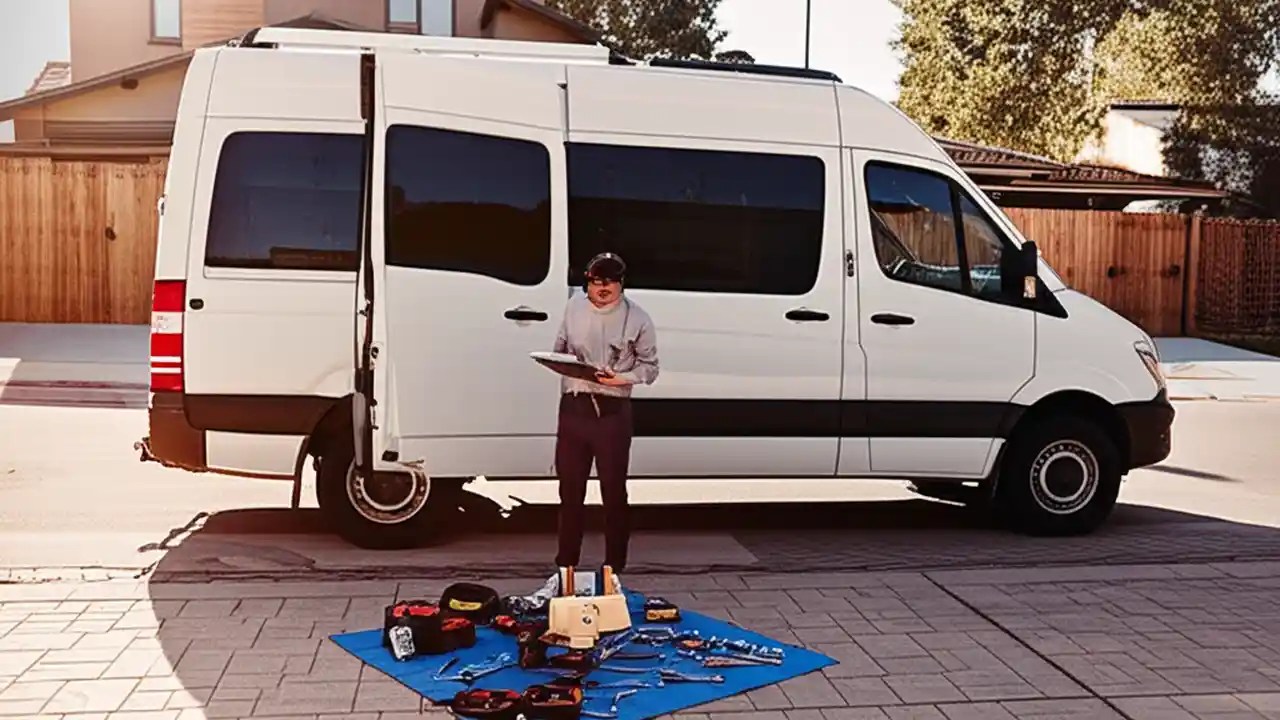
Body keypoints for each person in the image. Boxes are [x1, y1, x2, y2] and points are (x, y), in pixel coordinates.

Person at [550, 252, 659, 590]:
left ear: (621, 284)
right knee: (570, 492)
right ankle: (565, 566)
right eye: (596, 282)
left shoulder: (638, 318)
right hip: (574, 407)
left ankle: (614, 568)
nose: (602, 288)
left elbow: (650, 368)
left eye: (609, 282)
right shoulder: (573, 307)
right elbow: (559, 346)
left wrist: (623, 378)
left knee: (613, 493)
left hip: (611, 412)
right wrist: (564, 363)